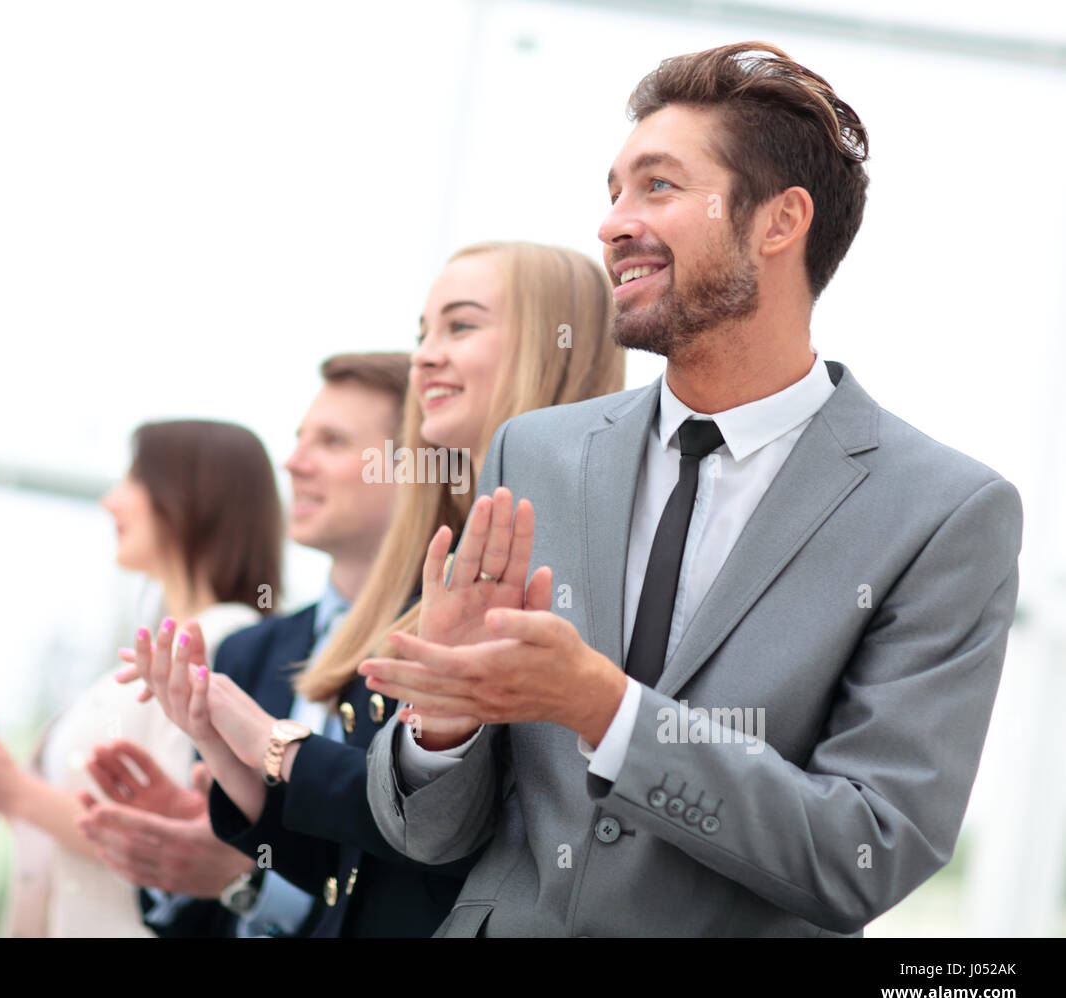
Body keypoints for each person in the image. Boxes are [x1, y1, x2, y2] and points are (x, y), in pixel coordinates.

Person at [360, 41, 1023, 937]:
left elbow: (866, 850)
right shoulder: (535, 451)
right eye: (613, 192)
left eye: (659, 187)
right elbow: (436, 835)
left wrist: (604, 707)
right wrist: (445, 722)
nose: (612, 224)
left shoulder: (944, 513)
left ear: (779, 221)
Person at [126, 241, 626, 935]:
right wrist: (223, 744)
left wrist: (273, 743)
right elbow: (364, 865)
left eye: (461, 326)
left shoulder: (589, 568)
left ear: (550, 347)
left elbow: (485, 843)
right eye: (422, 332)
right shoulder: (440, 577)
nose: (424, 355)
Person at [0, 419, 280, 936]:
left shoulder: (229, 637)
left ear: (193, 497)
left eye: (135, 481)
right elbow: (70, 837)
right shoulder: (166, 645)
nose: (111, 502)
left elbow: (170, 842)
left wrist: (10, 788)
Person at [78, 352, 409, 937]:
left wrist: (247, 875)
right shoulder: (249, 653)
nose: (293, 462)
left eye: (331, 442)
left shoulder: (427, 654)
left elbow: (404, 861)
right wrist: (193, 845)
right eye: (299, 438)